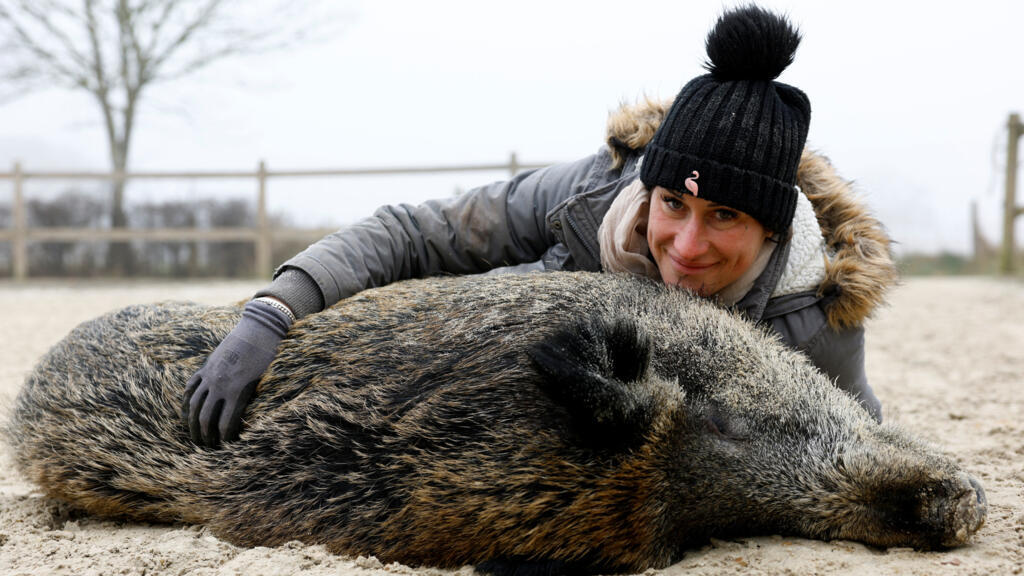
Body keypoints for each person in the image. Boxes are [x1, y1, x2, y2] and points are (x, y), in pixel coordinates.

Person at [184, 5, 898, 448]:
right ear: (647, 189)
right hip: (440, 353)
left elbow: (861, 440)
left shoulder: (814, 322)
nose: (685, 246)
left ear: (773, 232)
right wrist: (273, 312)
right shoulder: (587, 196)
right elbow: (414, 233)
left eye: (725, 218)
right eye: (673, 204)